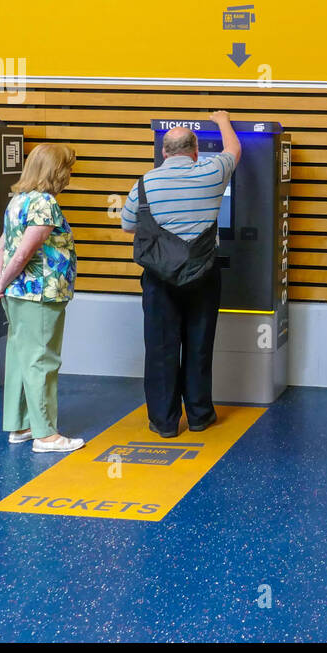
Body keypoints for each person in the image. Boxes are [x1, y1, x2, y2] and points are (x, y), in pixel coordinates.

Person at [121, 113, 241, 437]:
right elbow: (234, 150)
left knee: (161, 349)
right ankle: (200, 415)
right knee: (199, 345)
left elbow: (128, 225)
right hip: (204, 274)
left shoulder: (144, 183)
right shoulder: (213, 172)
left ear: (164, 152)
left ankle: (165, 422)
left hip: (159, 278)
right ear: (196, 150)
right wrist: (223, 120)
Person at [0, 143, 84, 453]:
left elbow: (2, 247)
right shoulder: (44, 203)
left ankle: (21, 425)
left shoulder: (17, 201)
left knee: (20, 358)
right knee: (42, 360)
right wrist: (0, 285)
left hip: (20, 294)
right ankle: (46, 435)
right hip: (40, 295)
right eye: (68, 168)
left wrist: (0, 282)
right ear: (56, 170)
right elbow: (24, 252)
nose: (69, 174)